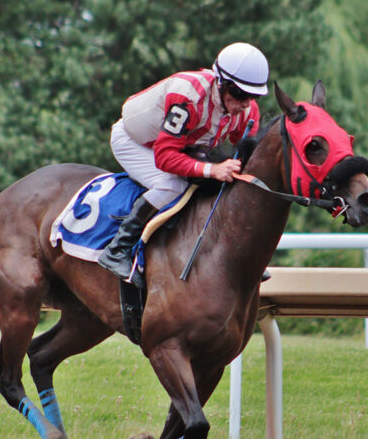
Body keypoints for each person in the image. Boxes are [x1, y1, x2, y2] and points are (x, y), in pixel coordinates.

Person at [98, 42, 269, 287]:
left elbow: (239, 145)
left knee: (229, 180)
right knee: (171, 184)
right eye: (241, 94)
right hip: (136, 142)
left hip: (182, 145)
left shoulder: (246, 108)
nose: (246, 103)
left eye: (253, 95)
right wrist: (213, 169)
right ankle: (117, 249)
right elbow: (165, 157)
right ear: (222, 84)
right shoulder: (189, 99)